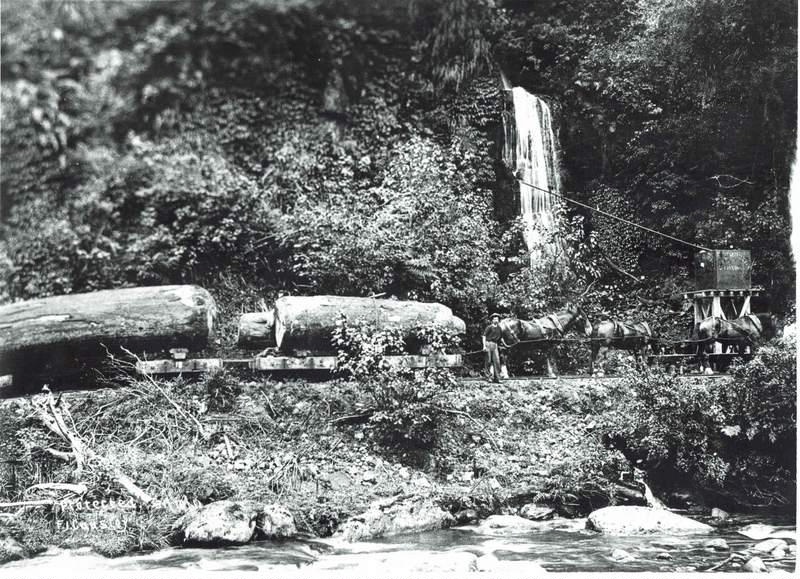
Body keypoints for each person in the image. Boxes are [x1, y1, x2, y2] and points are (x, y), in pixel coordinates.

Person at [482, 313, 505, 383]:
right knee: (488, 361)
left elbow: (501, 338)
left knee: (497, 361)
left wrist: (505, 344)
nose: (496, 320)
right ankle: (488, 377)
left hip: (495, 345)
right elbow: (484, 336)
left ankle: (497, 378)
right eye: (495, 319)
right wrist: (484, 346)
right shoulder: (489, 327)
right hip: (488, 343)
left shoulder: (499, 328)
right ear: (492, 320)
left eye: (497, 319)